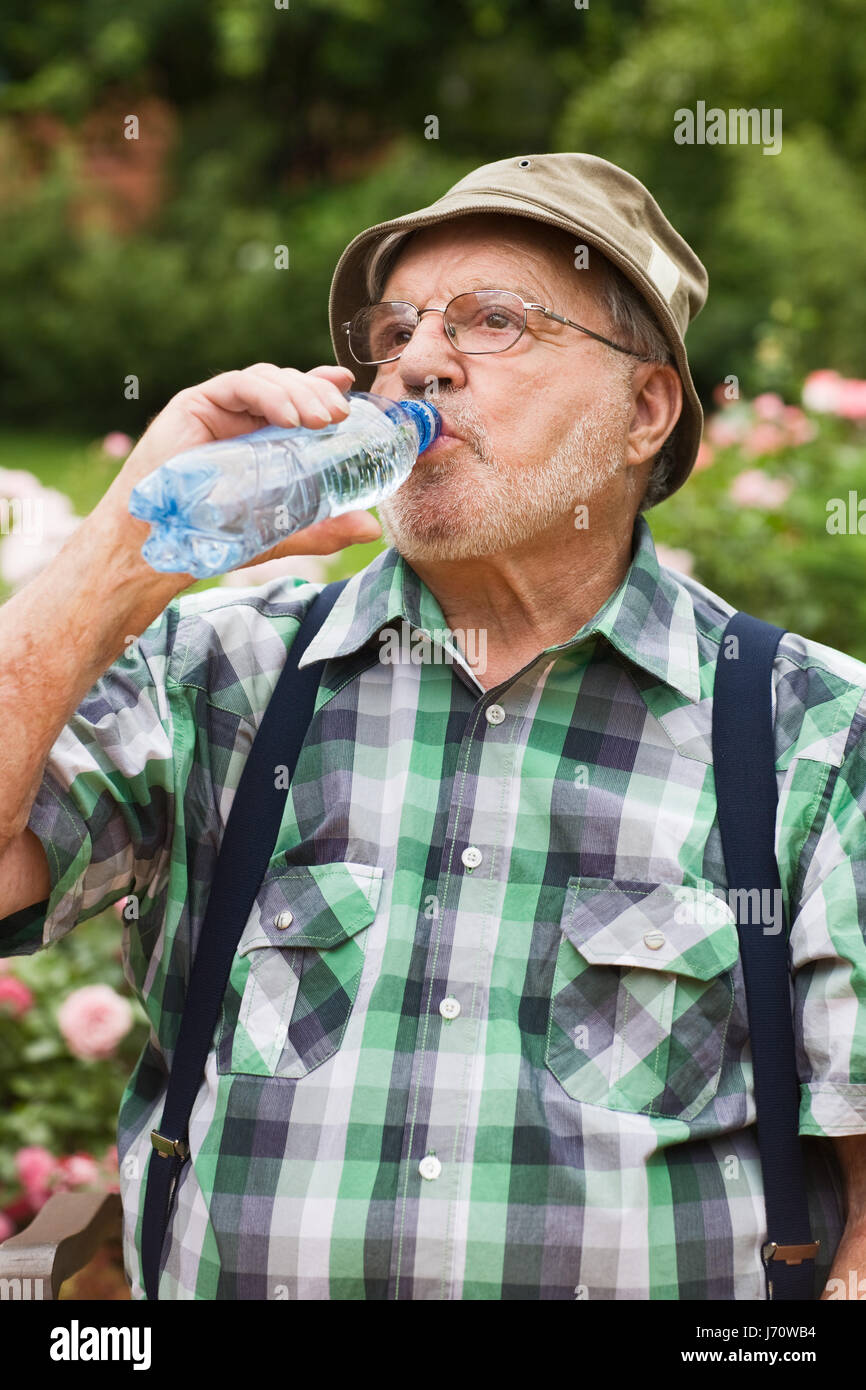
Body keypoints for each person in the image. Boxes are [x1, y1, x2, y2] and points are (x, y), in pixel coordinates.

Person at [0, 153, 864, 1301]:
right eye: (394, 330)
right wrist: (118, 556)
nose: (415, 361)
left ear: (643, 411)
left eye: (492, 321)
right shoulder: (225, 671)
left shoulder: (806, 732)